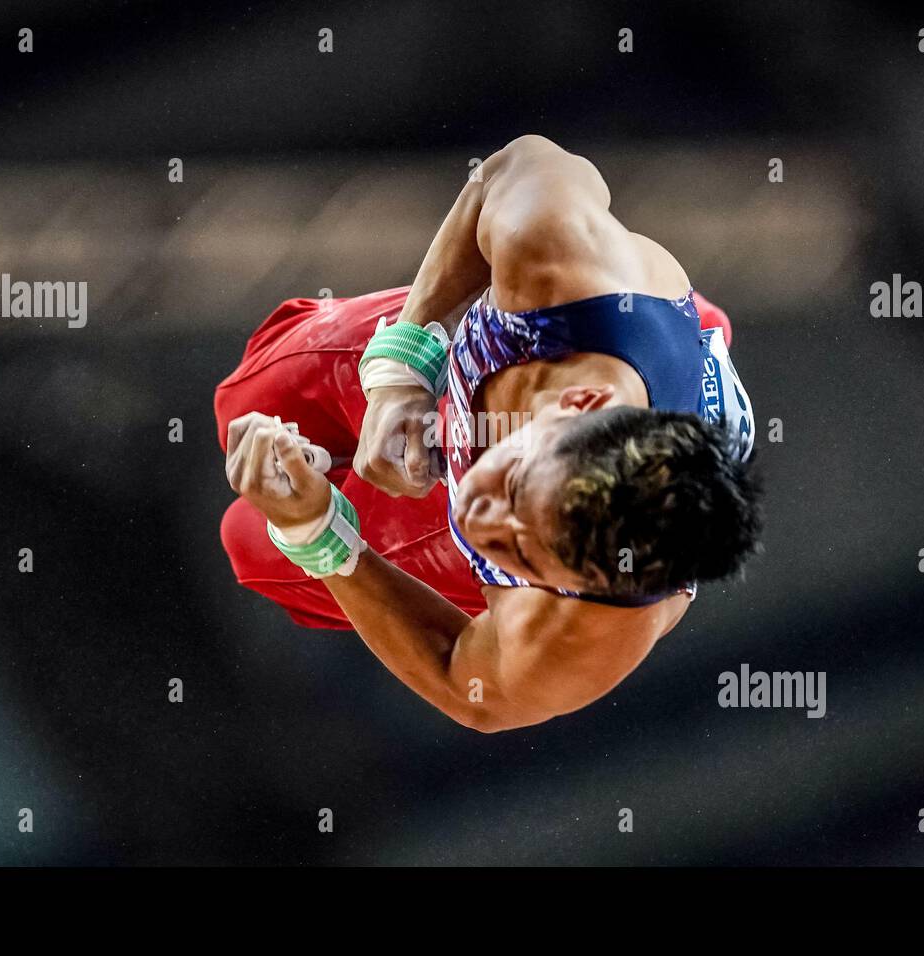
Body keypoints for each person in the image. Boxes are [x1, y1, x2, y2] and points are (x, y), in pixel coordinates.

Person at [216, 135, 760, 732]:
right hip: (570, 339)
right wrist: (402, 364)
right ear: (578, 404)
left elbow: (469, 688)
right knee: (245, 399)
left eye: (521, 553)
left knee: (251, 541)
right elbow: (514, 164)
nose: (482, 519)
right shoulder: (565, 266)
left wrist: (318, 533)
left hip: (586, 441)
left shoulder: (592, 621)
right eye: (515, 488)